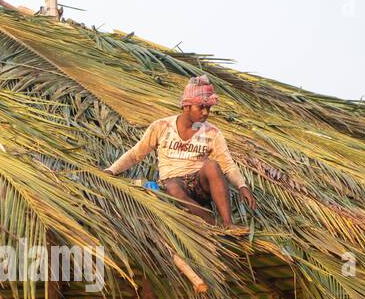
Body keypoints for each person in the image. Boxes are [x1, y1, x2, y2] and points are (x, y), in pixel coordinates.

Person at [103, 75, 256, 226]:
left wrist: (242, 186)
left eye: (208, 108)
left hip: (200, 186)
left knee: (212, 166)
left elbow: (228, 166)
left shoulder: (212, 133)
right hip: (173, 186)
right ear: (186, 106)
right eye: (201, 107)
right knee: (172, 186)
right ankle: (212, 222)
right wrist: (112, 170)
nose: (205, 113)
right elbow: (136, 154)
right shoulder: (162, 126)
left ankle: (228, 223)